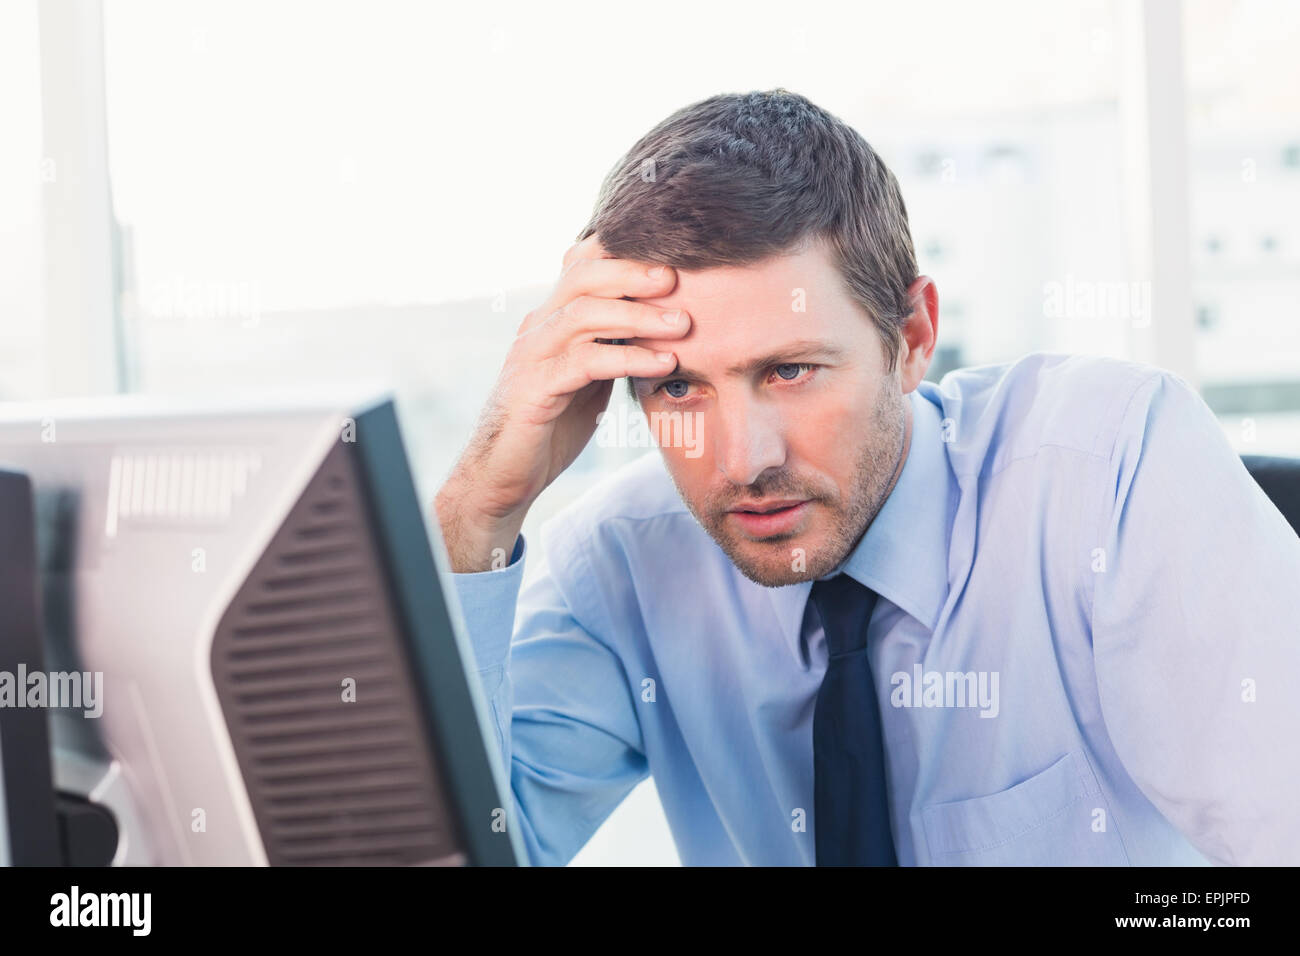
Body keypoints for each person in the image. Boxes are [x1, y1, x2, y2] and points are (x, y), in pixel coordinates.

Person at [433, 89, 1300, 866]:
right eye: (679, 386)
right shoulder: (621, 566)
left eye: (790, 371)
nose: (744, 461)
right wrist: (477, 513)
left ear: (913, 337)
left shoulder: (1109, 472)